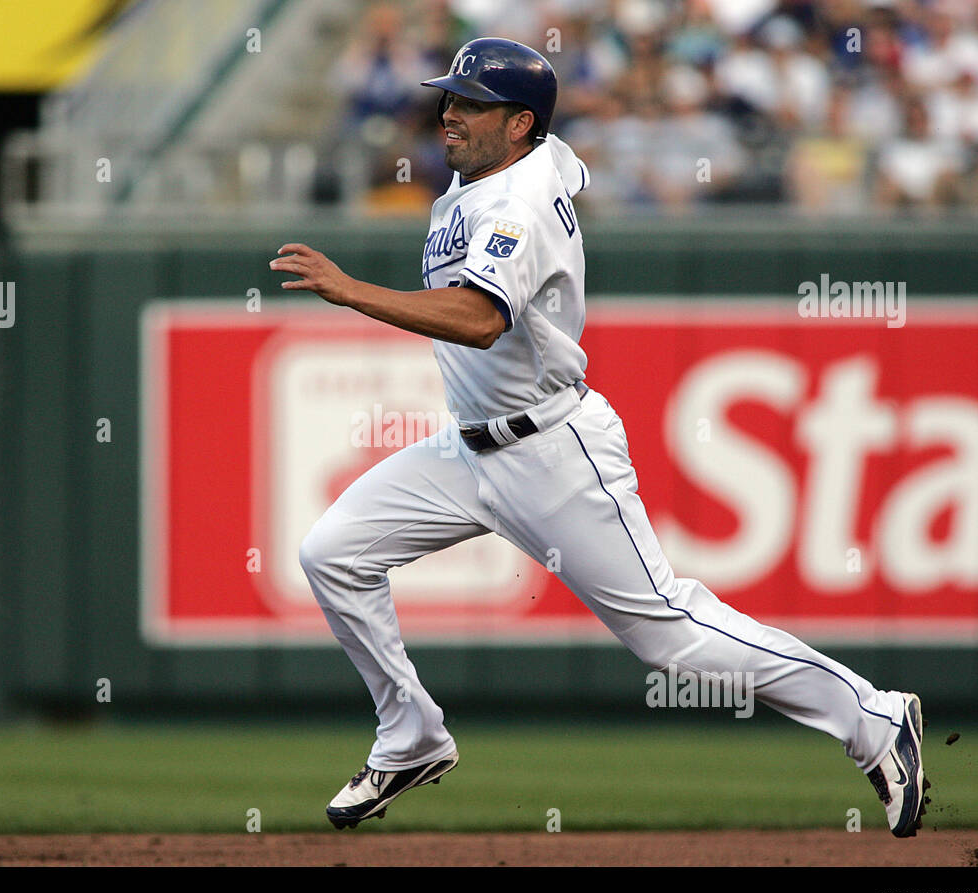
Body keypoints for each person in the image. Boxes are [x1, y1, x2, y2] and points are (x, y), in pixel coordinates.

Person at [269, 37, 929, 837]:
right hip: (468, 449)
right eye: (450, 97)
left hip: (549, 449)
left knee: (670, 637)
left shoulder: (512, 201)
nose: (449, 112)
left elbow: (481, 320)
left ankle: (874, 716)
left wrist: (352, 291)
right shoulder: (508, 166)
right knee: (333, 552)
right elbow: (566, 161)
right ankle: (411, 737)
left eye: (470, 103)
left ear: (518, 124)